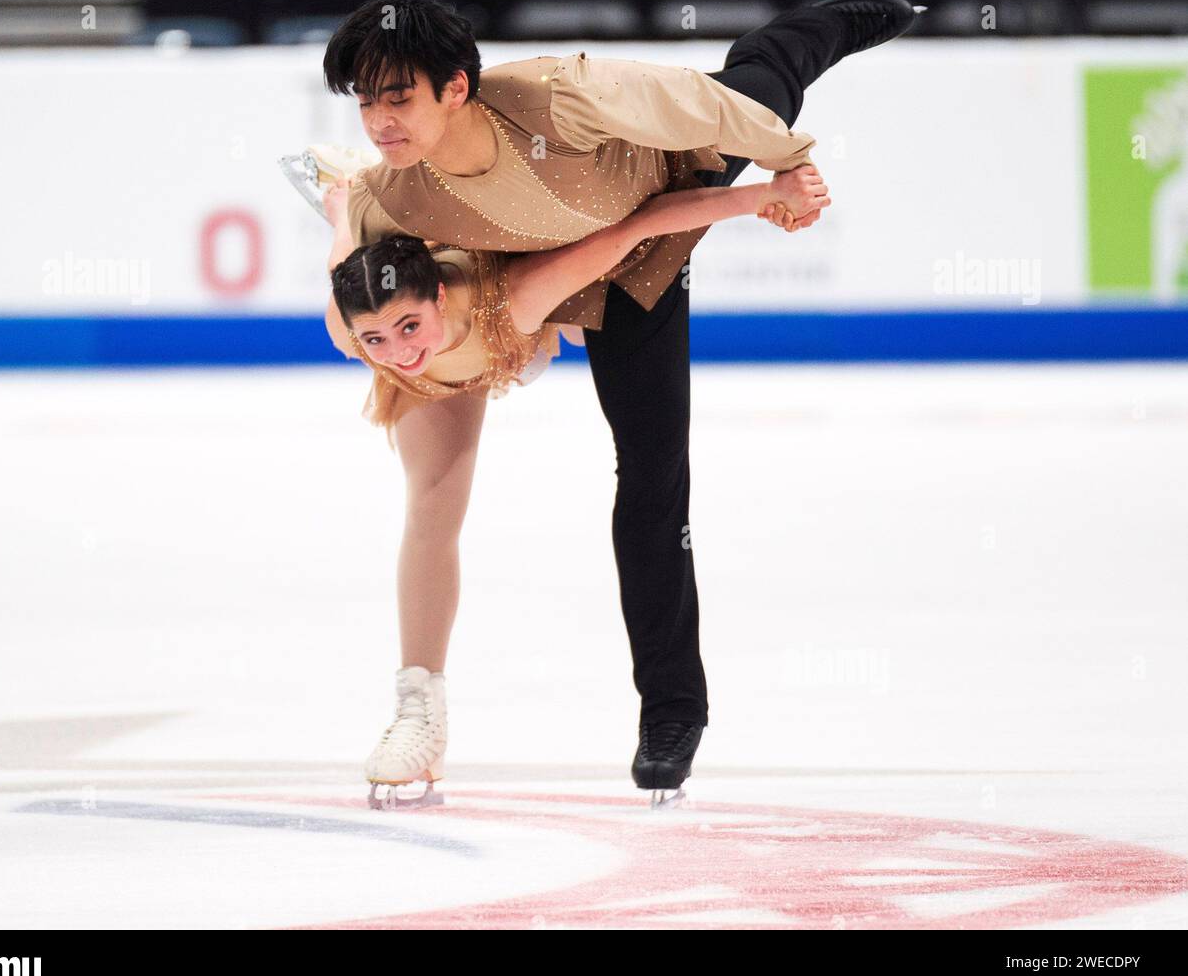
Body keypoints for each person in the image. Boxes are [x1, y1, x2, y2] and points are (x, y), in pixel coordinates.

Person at [320, 0, 918, 804]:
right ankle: (426, 707)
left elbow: (700, 108)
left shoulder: (560, 97)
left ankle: (672, 712)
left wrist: (787, 166)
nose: (380, 120)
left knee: (651, 472)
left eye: (398, 98)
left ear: (456, 86)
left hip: (650, 231)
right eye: (365, 103)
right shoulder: (392, 194)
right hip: (539, 280)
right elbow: (355, 290)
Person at [323, 167, 830, 807]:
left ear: (440, 302)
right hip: (439, 352)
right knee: (431, 506)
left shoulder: (515, 297)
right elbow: (345, 262)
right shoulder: (356, 330)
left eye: (406, 329)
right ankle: (418, 712)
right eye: (376, 339)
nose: (396, 351)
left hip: (500, 304)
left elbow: (640, 224)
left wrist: (761, 196)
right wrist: (342, 207)